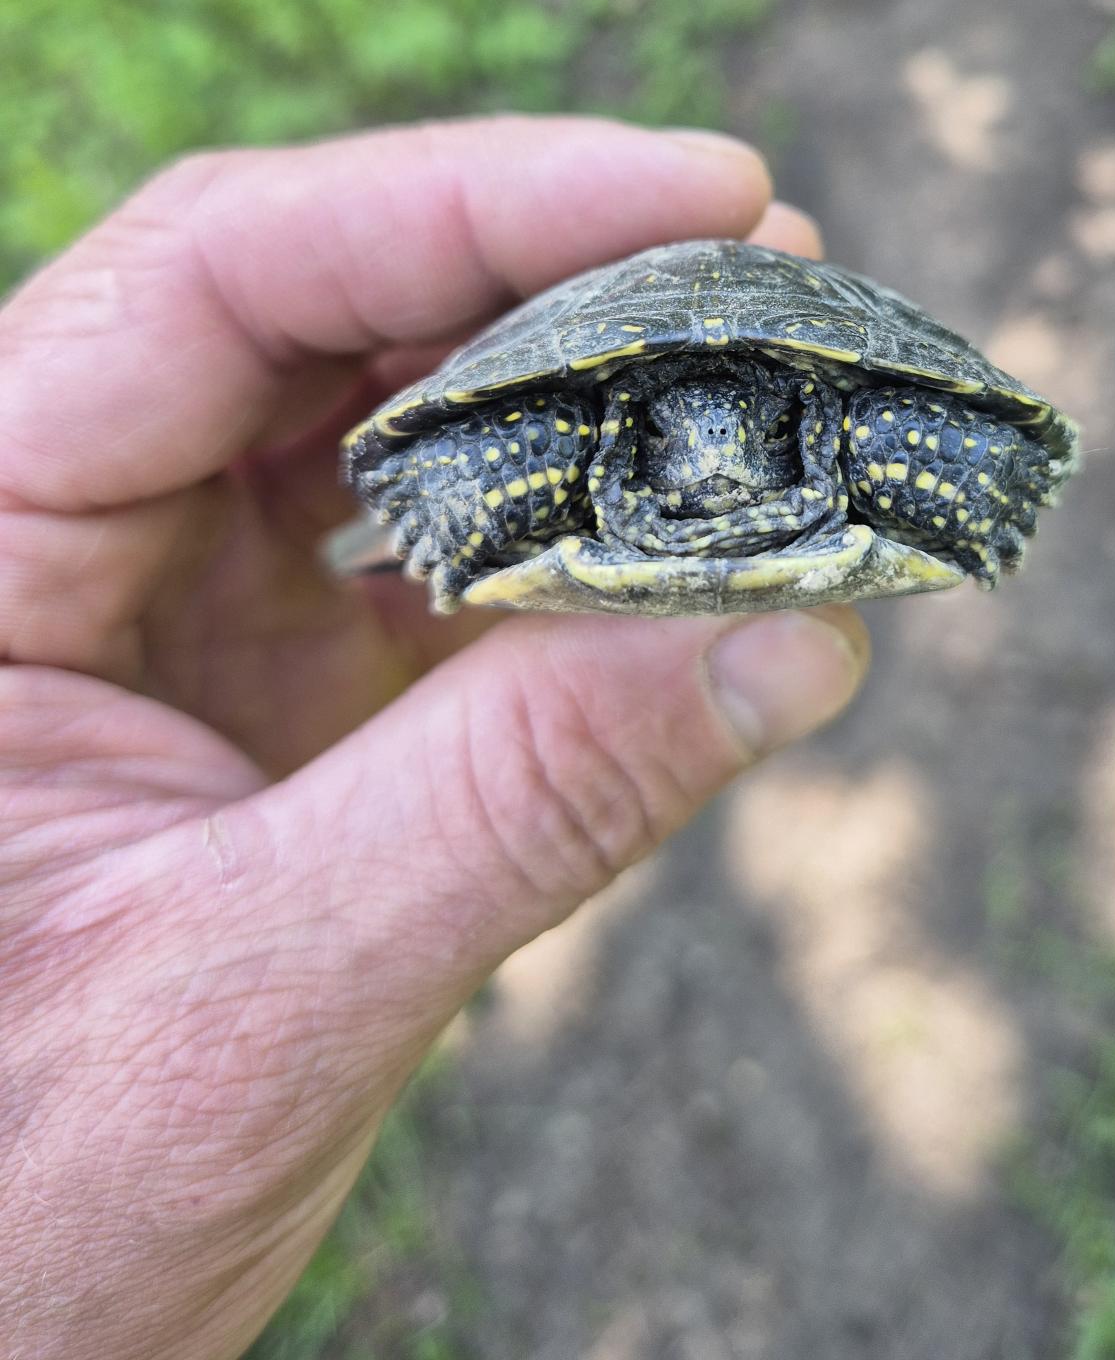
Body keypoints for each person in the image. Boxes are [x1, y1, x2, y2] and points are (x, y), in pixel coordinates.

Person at [0, 117, 869, 1360]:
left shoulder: (839, 427)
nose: (714, 477)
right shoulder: (559, 435)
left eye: (752, 442)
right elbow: (434, 456)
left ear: (805, 431)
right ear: (625, 437)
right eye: (678, 444)